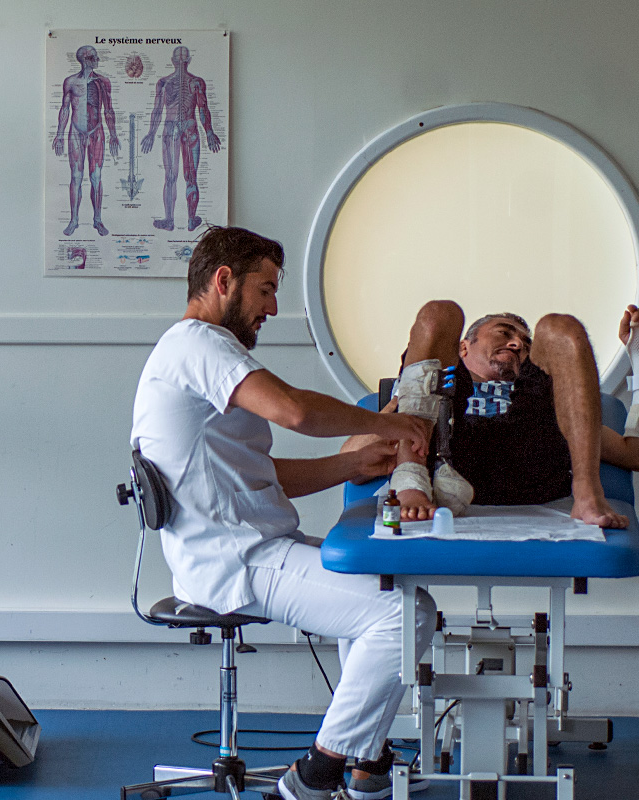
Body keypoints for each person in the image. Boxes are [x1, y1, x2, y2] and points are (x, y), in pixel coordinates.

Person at [130, 226, 439, 800]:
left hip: (247, 547)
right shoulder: (198, 344)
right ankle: (315, 774)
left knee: (379, 590)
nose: (273, 306)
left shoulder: (193, 356)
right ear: (224, 281)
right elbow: (294, 411)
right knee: (406, 615)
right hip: (238, 561)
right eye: (266, 289)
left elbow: (263, 477)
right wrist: (391, 422)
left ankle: (367, 766)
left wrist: (352, 464)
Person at [348, 300, 639, 526]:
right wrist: (398, 406)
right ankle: (410, 482)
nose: (517, 343)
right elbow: (353, 463)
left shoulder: (554, 407)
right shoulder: (425, 391)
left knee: (560, 326)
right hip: (444, 451)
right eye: (504, 332)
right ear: (464, 348)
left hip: (531, 456)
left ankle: (587, 493)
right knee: (439, 313)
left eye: (524, 342)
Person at [140, 46, 220, 232]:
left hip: (171, 130)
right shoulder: (195, 82)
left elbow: (159, 110)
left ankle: (171, 220)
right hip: (189, 129)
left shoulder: (165, 82)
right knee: (189, 177)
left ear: (172, 60)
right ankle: (190, 220)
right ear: (188, 60)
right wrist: (208, 131)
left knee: (172, 177)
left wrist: (152, 133)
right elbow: (202, 109)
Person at [54, 45, 119, 237]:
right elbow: (65, 108)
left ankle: (97, 220)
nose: (98, 60)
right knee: (75, 177)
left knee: (96, 177)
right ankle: (74, 220)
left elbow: (108, 109)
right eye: (94, 57)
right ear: (85, 59)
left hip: (96, 132)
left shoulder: (103, 82)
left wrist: (113, 134)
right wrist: (59, 134)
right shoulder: (70, 82)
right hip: (76, 132)